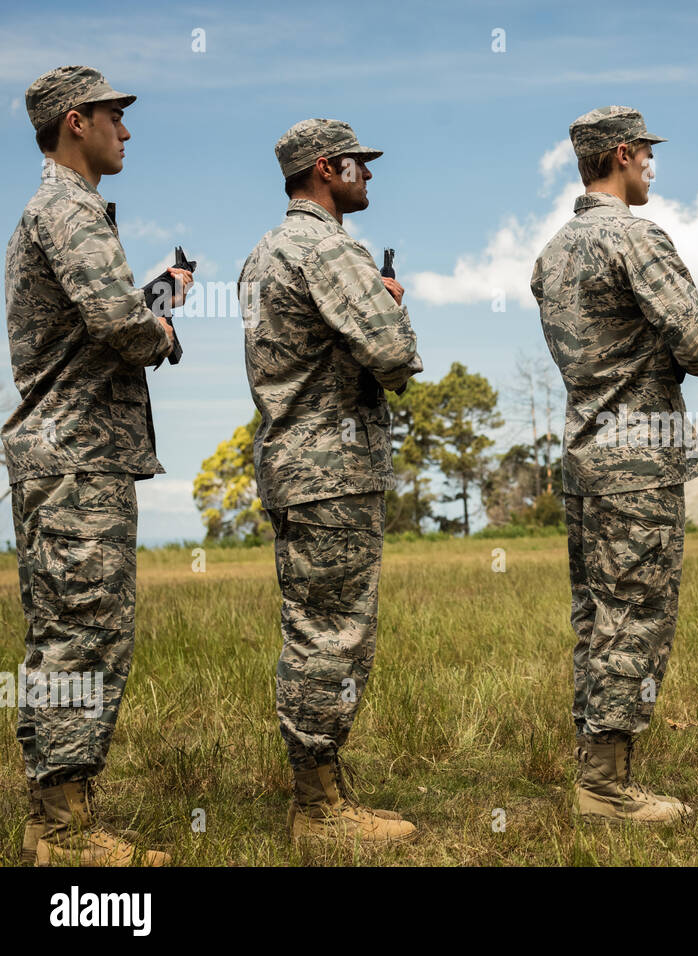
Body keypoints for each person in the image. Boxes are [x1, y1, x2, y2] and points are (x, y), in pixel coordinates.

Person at [5, 64, 191, 866]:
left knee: (67, 632)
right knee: (83, 633)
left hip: (69, 452)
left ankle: (56, 811)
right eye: (116, 115)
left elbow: (93, 322)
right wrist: (164, 328)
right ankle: (62, 834)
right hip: (75, 456)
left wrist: (164, 292)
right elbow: (118, 322)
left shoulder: (56, 210)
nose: (127, 129)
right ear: (75, 121)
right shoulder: (69, 209)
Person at [532, 106, 698, 823]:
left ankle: (599, 769)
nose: (652, 164)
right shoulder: (636, 239)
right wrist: (668, 352)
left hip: (586, 452)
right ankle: (605, 789)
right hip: (640, 459)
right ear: (621, 153)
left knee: (597, 617)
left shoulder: (552, 252)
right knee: (635, 617)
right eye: (647, 152)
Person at [240, 119, 422, 842]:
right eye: (359, 164)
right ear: (325, 168)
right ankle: (317, 812)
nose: (369, 175)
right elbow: (394, 354)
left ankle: (317, 792)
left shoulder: (264, 253)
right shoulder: (328, 246)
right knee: (334, 637)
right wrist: (388, 304)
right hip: (334, 472)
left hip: (291, 464)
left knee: (310, 628)